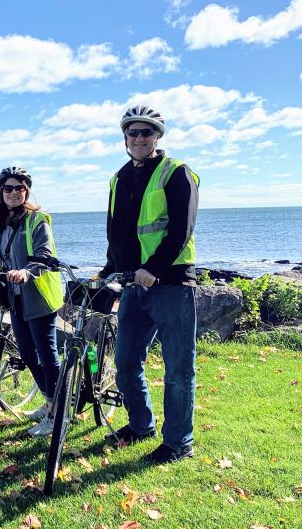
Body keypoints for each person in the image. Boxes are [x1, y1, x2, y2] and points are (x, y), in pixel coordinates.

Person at [99, 105, 199, 464]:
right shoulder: (119, 178)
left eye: (146, 132)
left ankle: (178, 442)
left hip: (171, 284)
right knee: (125, 361)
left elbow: (180, 230)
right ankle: (142, 425)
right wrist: (109, 268)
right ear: (125, 138)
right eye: (133, 133)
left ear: (158, 136)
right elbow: (119, 232)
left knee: (177, 369)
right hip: (133, 287)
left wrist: (153, 268)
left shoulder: (176, 173)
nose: (139, 138)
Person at [0, 166, 64, 437]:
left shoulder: (37, 220)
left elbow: (44, 254)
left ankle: (58, 414)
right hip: (16, 300)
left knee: (47, 355)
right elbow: (1, 262)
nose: (14, 192)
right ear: (1, 192)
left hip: (39, 298)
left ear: (26, 191)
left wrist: (27, 272)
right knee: (29, 355)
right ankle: (51, 401)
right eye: (8, 188)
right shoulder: (2, 224)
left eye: (19, 188)